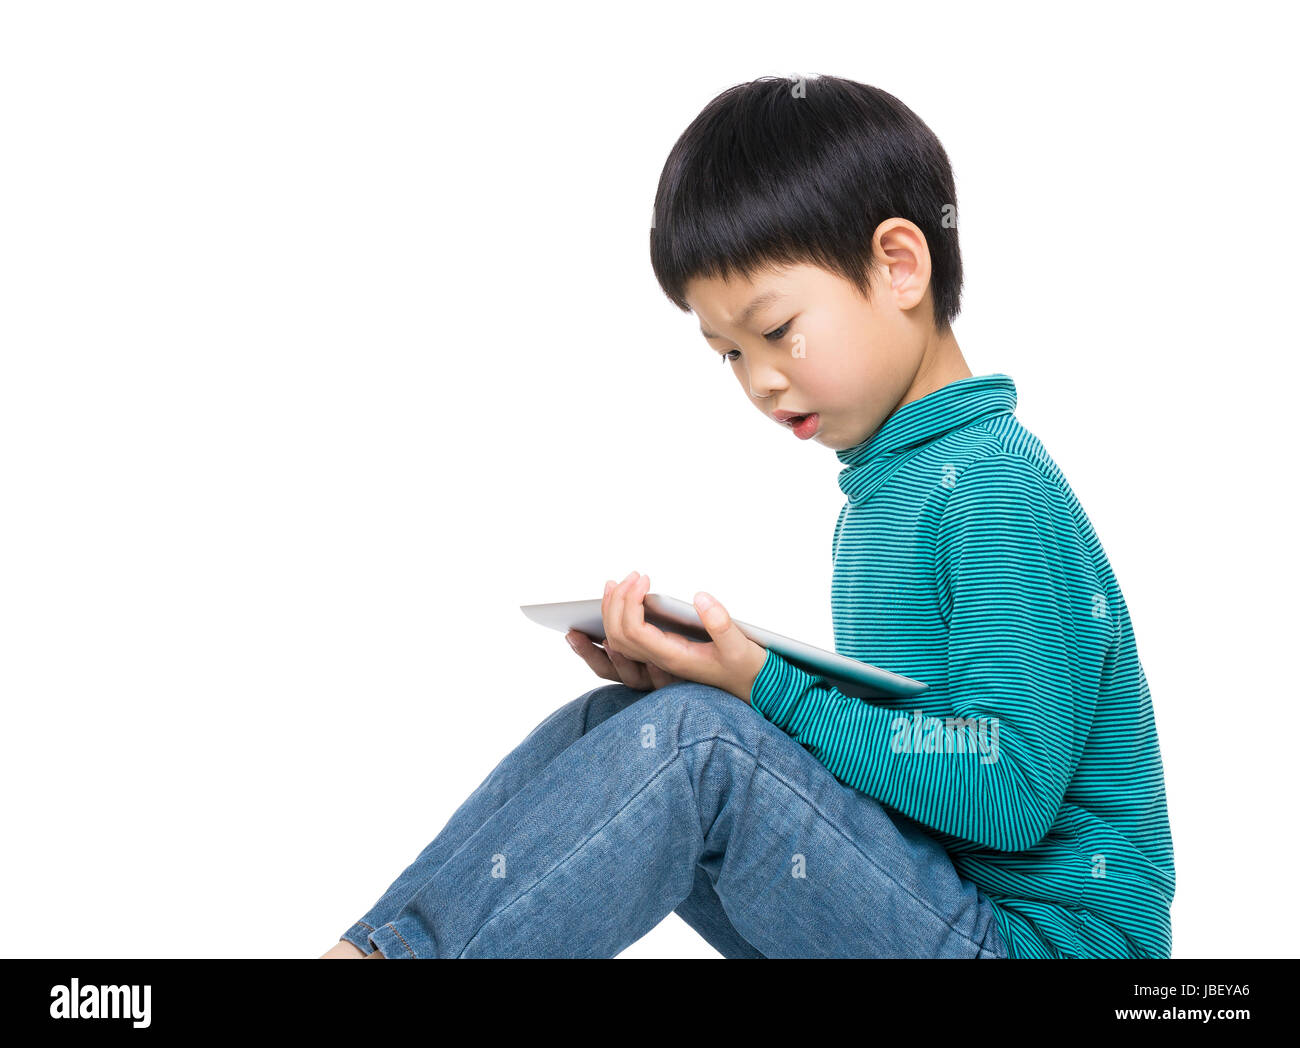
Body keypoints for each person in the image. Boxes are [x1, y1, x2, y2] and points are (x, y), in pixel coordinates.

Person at [320, 74, 1174, 959]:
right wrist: (714, 677)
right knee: (619, 721)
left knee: (700, 746)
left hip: (1033, 944)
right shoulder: (893, 486)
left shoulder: (993, 490)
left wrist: (762, 690)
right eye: (728, 352)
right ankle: (373, 951)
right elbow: (903, 754)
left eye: (777, 332)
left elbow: (1002, 788)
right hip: (940, 905)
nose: (759, 380)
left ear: (898, 267)